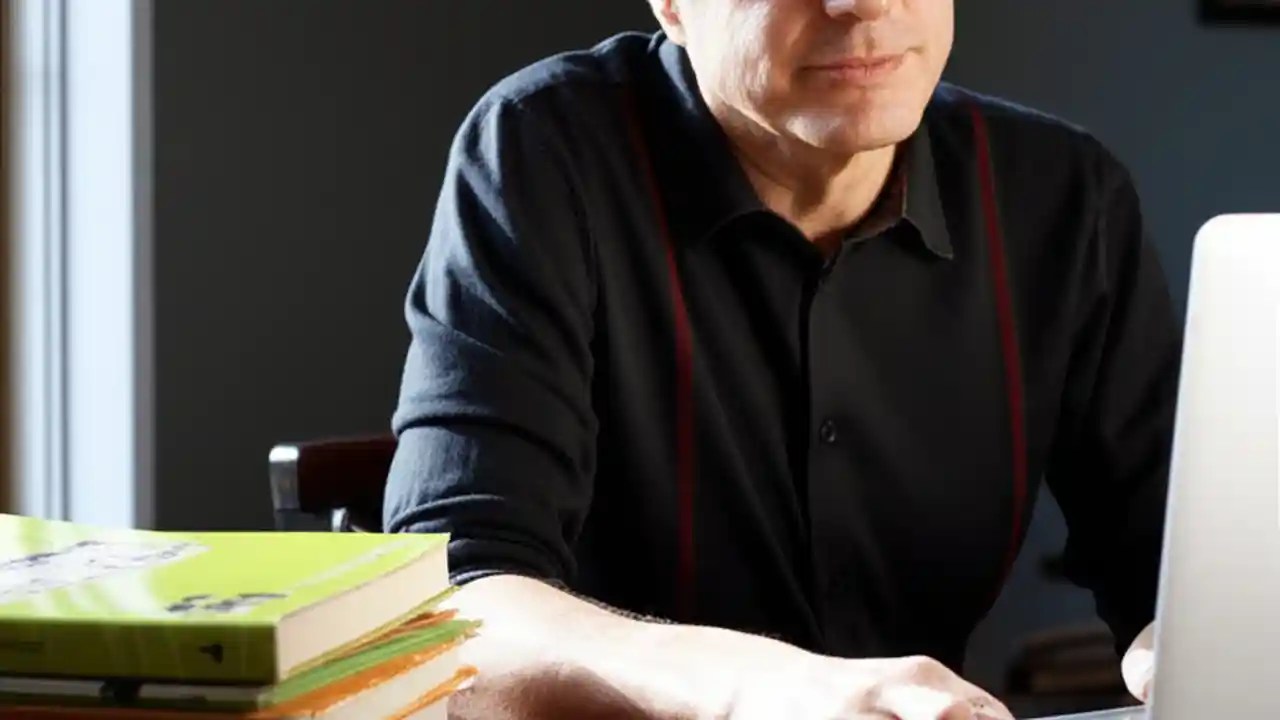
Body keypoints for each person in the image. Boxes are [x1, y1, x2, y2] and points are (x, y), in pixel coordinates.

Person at [383, 0, 1179, 717]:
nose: (863, 4)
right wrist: (759, 688)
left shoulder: (1065, 198)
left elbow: (1171, 567)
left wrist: (1194, 645)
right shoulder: (542, 148)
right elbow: (462, 610)